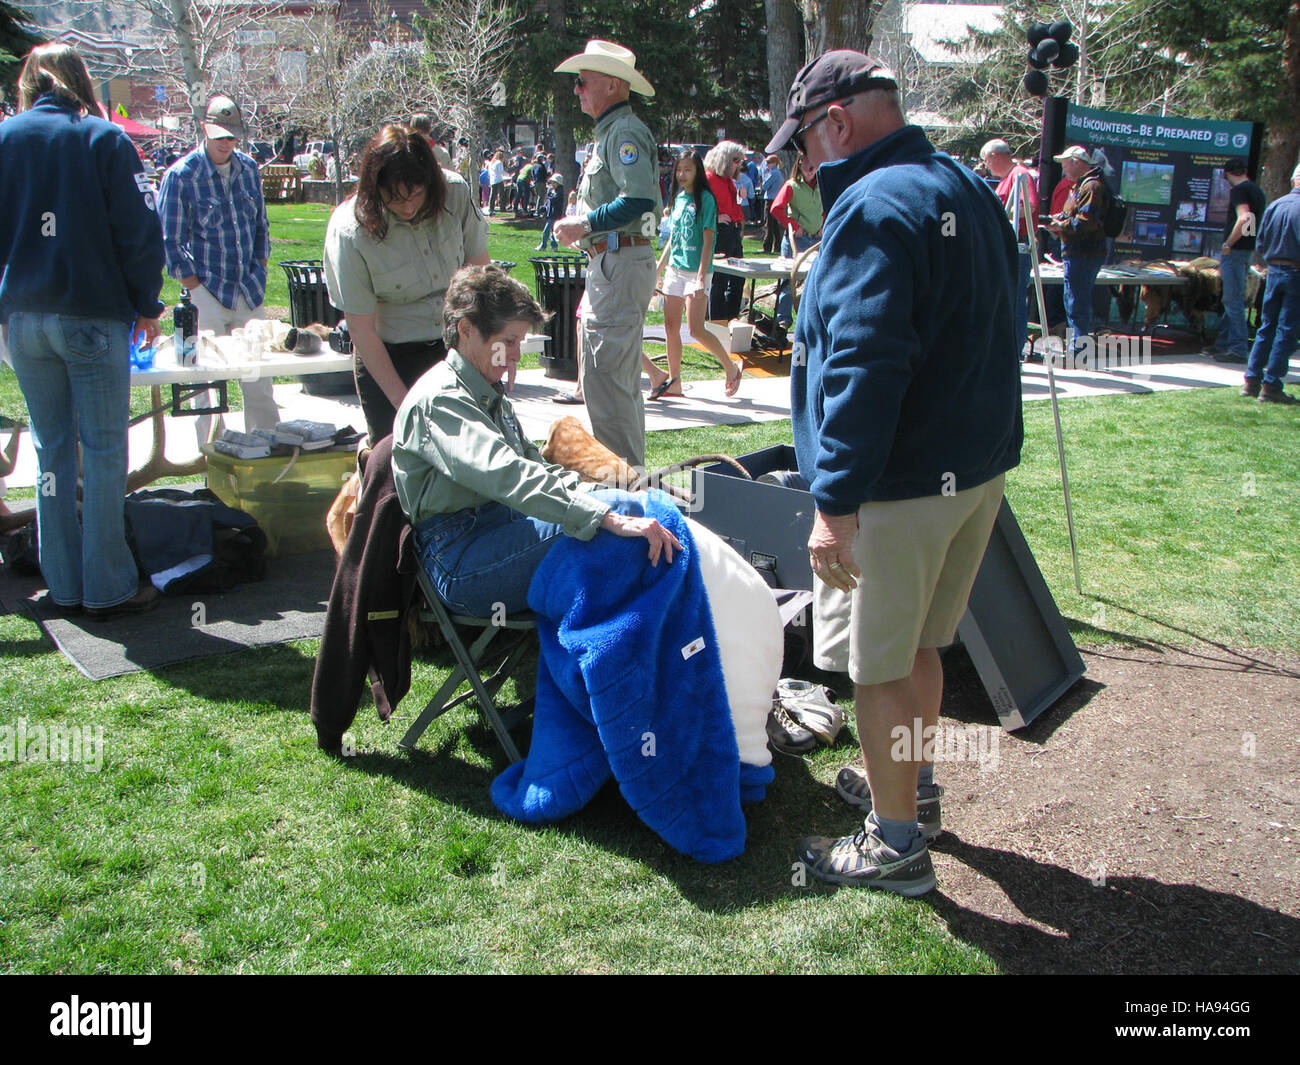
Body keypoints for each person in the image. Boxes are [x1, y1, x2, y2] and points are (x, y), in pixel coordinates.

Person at [767, 50, 1022, 894]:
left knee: (878, 666)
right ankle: (910, 789)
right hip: (971, 474)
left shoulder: (876, 203)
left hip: (901, 484)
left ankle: (895, 841)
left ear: (834, 123)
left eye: (801, 142)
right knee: (918, 645)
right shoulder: (964, 182)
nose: (802, 164)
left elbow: (866, 364)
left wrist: (833, 502)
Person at [393, 265, 680, 616]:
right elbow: (507, 474)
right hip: (460, 559)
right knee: (619, 522)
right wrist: (606, 513)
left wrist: (611, 497)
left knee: (633, 506)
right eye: (508, 342)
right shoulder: (442, 399)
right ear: (467, 330)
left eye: (519, 342)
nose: (515, 355)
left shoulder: (485, 393)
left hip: (499, 528)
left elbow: (538, 469)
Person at [0, 43, 165, 619]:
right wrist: (148, 302)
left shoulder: (6, 138)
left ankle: (62, 582)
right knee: (101, 453)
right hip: (89, 312)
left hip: (23, 316)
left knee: (51, 456)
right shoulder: (104, 139)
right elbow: (140, 229)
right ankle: (108, 586)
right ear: (82, 81)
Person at [324, 124, 489, 445]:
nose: (409, 206)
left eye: (416, 194)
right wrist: (406, 405)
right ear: (376, 189)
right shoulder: (350, 229)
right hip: (389, 358)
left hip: (455, 351)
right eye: (395, 199)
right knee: (398, 467)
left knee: (469, 465)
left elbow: (483, 281)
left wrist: (494, 351)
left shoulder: (454, 193)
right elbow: (362, 330)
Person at [551, 39, 662, 471]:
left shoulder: (624, 132)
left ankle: (624, 493)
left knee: (608, 386)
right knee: (612, 383)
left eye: (582, 82)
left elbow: (638, 200)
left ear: (613, 85)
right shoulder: (613, 132)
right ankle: (627, 485)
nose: (576, 90)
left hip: (617, 261)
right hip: (612, 263)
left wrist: (584, 225)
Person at [158, 94, 279, 437]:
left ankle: (267, 453)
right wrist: (194, 287)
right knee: (207, 385)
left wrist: (261, 266)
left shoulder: (249, 169)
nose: (226, 143)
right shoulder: (181, 175)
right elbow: (170, 240)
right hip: (206, 292)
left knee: (258, 379)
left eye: (232, 136)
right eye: (219, 135)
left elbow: (261, 226)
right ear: (203, 129)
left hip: (248, 289)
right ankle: (213, 460)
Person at [643, 150, 742, 400]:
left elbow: (709, 241)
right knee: (670, 326)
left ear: (697, 171)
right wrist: (659, 268)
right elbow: (673, 239)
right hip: (675, 271)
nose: (682, 175)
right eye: (679, 170)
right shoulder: (678, 199)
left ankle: (731, 368)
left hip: (697, 271)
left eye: (687, 170)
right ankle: (674, 381)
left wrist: (700, 277)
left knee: (695, 329)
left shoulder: (706, 199)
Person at [1240, 164, 1300, 403]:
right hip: (1295, 272)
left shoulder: (1276, 205)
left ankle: (1252, 379)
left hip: (1273, 270)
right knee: (1287, 329)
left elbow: (1261, 241)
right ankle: (1272, 383)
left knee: (1267, 327)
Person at [1047, 144, 1110, 361]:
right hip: (1078, 253)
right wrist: (1060, 221)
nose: (1063, 167)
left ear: (1075, 162)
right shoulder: (1082, 186)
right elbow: (1079, 218)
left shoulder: (1091, 187)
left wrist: (1060, 226)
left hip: (1084, 253)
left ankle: (1079, 351)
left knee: (1077, 303)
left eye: (1065, 162)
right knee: (1074, 301)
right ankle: (1078, 349)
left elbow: (1087, 222)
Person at [981, 138, 1039, 359]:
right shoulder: (1010, 177)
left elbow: (1029, 206)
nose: (985, 166)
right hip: (1007, 245)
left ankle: (1013, 356)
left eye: (986, 160)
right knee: (1006, 301)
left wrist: (999, 218)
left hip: (1016, 247)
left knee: (1013, 302)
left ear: (995, 156)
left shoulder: (1019, 175)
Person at [1211, 158, 1267, 364]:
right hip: (1247, 251)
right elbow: (1251, 223)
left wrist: (1229, 244)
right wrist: (1244, 242)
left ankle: (1238, 348)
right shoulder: (1256, 190)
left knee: (1231, 300)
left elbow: (1244, 218)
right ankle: (1223, 343)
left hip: (1235, 253)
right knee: (1234, 299)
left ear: (1228, 174)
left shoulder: (1239, 191)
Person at [768, 153, 823, 327]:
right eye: (805, 164)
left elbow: (830, 206)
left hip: (817, 241)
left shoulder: (823, 186)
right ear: (799, 165)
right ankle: (782, 321)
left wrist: (824, 224)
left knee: (816, 280)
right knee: (788, 280)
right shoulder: (792, 186)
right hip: (797, 242)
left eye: (813, 165)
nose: (809, 169)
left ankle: (811, 320)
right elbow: (776, 208)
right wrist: (793, 225)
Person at [705, 141, 748, 322]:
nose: (739, 165)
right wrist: (715, 218)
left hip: (733, 231)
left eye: (740, 161)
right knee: (720, 280)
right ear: (725, 159)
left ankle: (732, 320)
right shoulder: (709, 179)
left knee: (738, 278)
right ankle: (717, 321)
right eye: (735, 160)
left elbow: (732, 207)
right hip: (719, 232)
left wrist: (740, 198)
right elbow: (697, 206)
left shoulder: (729, 181)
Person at [760, 154, 786, 254]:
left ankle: (767, 246)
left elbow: (765, 186)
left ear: (774, 163)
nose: (767, 164)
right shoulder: (778, 173)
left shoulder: (773, 173)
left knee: (769, 224)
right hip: (776, 199)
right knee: (775, 225)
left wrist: (763, 179)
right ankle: (777, 246)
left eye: (768, 162)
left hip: (770, 200)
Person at [536, 173, 564, 250]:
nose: (552, 184)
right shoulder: (551, 191)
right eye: (552, 182)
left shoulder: (560, 192)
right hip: (549, 214)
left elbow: (553, 200)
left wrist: (550, 195)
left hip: (555, 214)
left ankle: (543, 245)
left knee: (547, 230)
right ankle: (554, 246)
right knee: (552, 231)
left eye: (554, 182)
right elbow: (548, 202)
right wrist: (544, 207)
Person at [487, 150, 507, 215]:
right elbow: (501, 171)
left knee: (492, 195)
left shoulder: (491, 163)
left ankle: (491, 208)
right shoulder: (499, 162)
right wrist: (508, 174)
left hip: (492, 180)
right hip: (499, 180)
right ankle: (502, 208)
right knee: (502, 195)